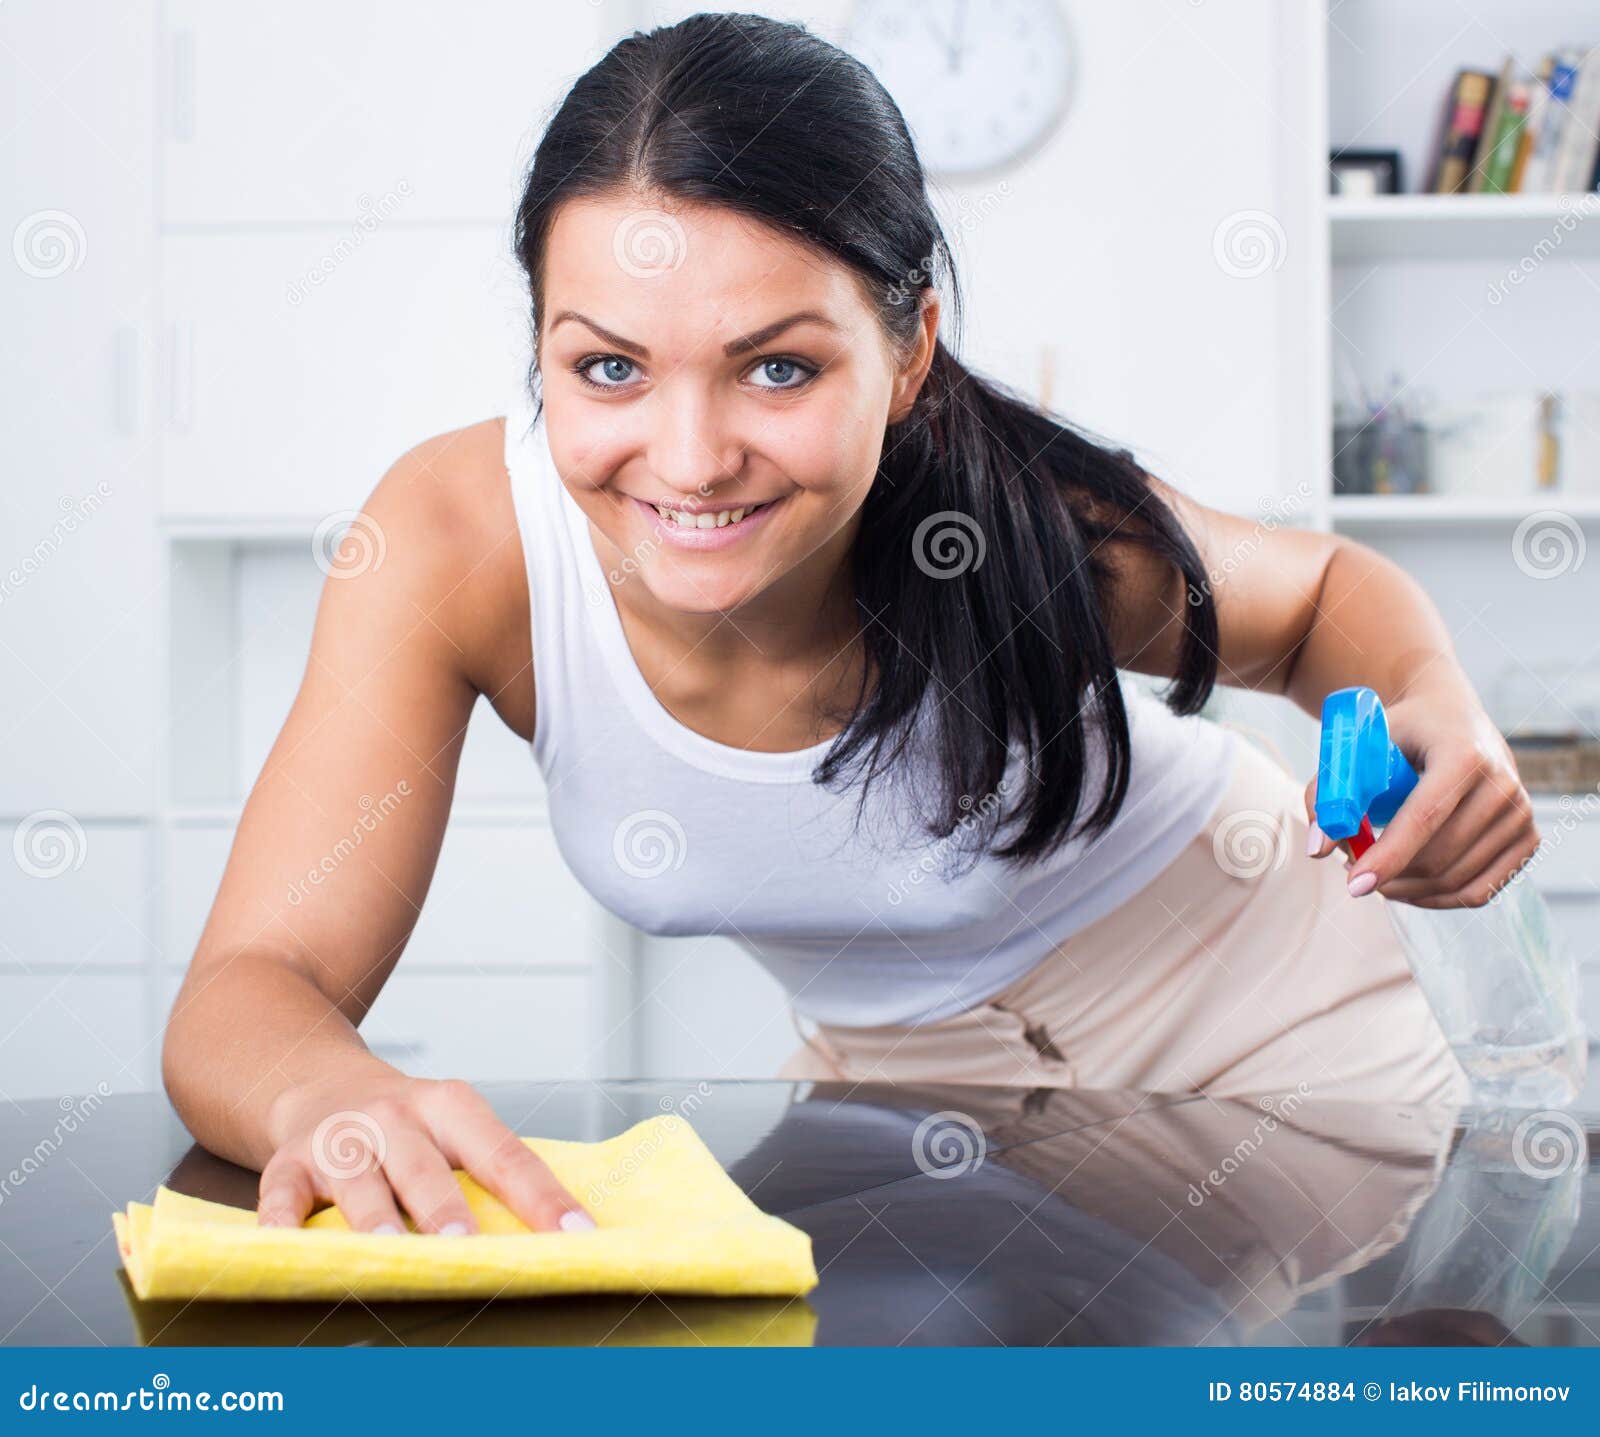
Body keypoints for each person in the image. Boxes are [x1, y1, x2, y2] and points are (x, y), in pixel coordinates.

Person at [162, 13, 1535, 1238]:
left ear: (907, 351)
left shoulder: (1009, 517)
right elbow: (247, 985)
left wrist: (1432, 694)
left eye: (777, 366)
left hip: (1263, 1010)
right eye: (608, 367)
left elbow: (1317, 607)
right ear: (538, 344)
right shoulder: (453, 545)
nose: (690, 458)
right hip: (898, 1083)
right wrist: (323, 1088)